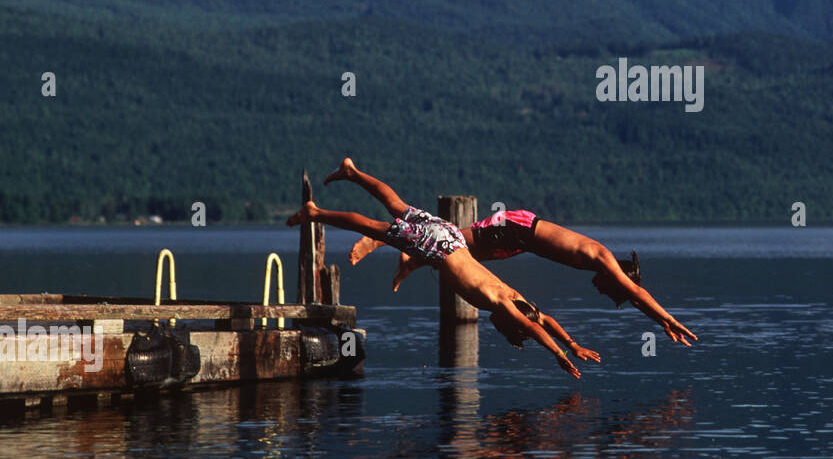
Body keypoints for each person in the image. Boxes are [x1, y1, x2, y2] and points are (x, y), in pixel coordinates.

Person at [286, 163, 598, 378]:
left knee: (396, 205)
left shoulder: (519, 299)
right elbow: (535, 328)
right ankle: (316, 212)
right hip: (437, 247)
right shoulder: (504, 304)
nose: (498, 326)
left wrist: (573, 344)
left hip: (450, 235)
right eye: (504, 329)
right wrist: (560, 354)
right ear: (509, 320)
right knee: (373, 227)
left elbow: (543, 320)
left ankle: (352, 172)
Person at [336, 160, 697, 345]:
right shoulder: (601, 257)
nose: (603, 291)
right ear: (614, 277)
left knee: (454, 251)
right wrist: (671, 320)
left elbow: (633, 296)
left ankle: (407, 255)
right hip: (519, 229)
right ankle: (382, 239)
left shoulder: (600, 264)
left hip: (519, 241)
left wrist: (662, 324)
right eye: (611, 291)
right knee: (447, 240)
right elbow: (636, 293)